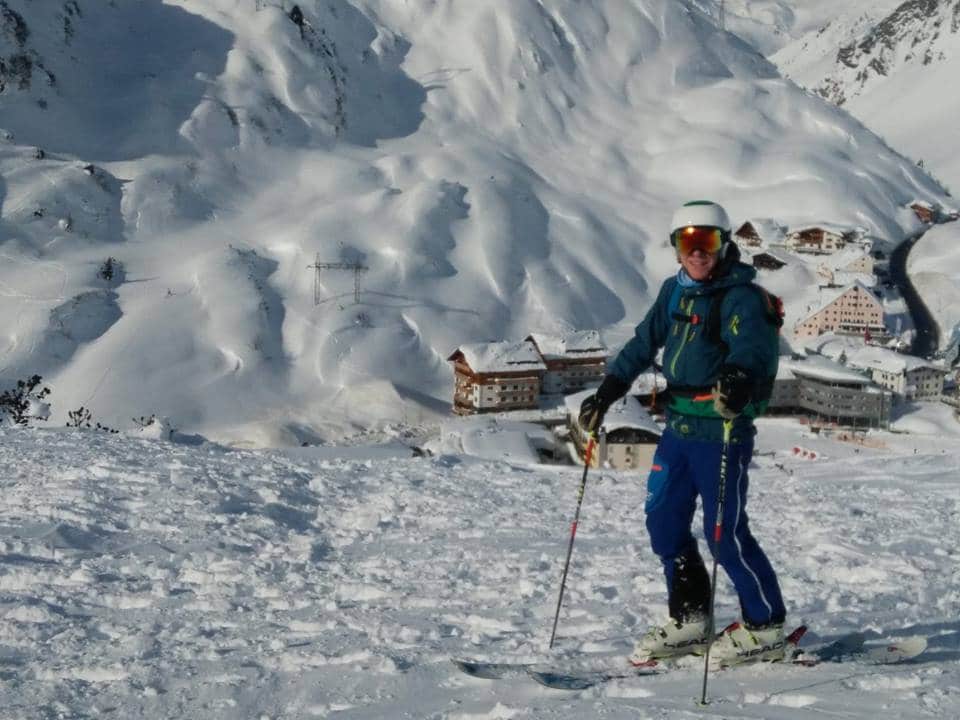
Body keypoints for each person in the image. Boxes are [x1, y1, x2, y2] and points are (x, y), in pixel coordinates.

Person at [578, 200, 786, 667]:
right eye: (688, 242)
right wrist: (608, 391)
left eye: (708, 241)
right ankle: (692, 618)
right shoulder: (674, 292)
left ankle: (766, 624)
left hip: (722, 430)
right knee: (663, 521)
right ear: (675, 248)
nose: (698, 253)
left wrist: (736, 380)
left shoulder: (741, 297)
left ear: (724, 243)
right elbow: (642, 342)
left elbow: (749, 346)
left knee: (723, 534)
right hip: (679, 428)